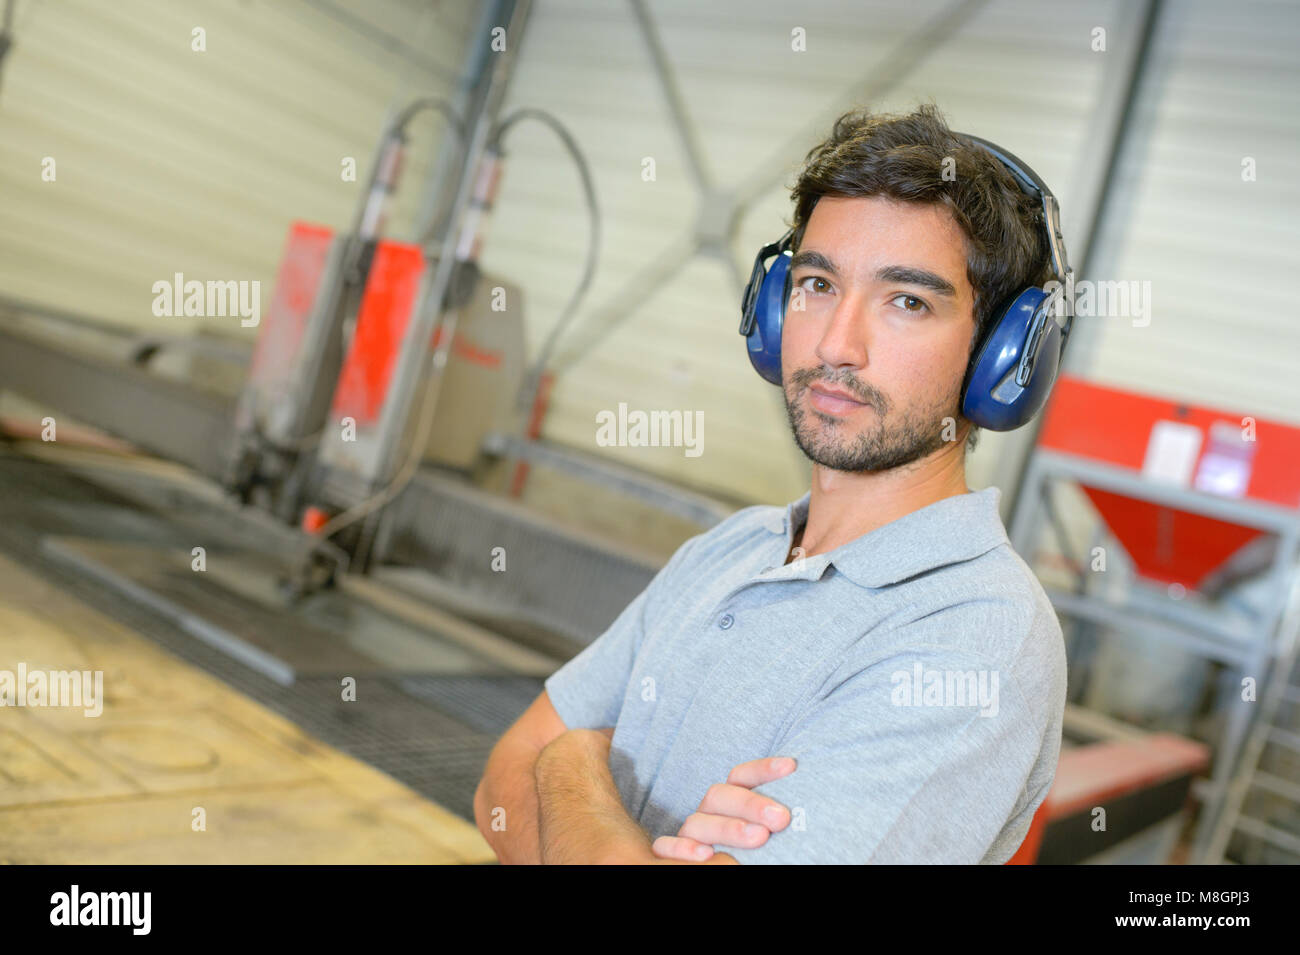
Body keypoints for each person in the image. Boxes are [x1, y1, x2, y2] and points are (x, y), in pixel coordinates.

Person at [473, 102, 1068, 864]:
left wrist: (570, 763)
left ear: (1002, 361)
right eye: (818, 284)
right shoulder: (734, 548)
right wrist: (575, 790)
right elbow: (498, 787)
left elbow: (540, 760)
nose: (834, 343)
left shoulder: (976, 635)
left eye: (907, 301)